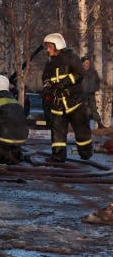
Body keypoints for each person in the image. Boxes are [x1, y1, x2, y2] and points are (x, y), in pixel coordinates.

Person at [41, 33, 92, 162]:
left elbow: (80, 74)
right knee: (57, 133)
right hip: (57, 104)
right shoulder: (50, 63)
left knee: (82, 131)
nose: (47, 50)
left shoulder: (71, 58)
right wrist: (47, 86)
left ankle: (85, 154)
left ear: (57, 45)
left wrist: (64, 83)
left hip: (75, 102)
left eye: (49, 47)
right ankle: (58, 156)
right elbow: (45, 78)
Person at [81, 55, 103, 128]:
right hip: (82, 94)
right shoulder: (80, 72)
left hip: (91, 93)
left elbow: (97, 81)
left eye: (88, 62)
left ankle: (100, 124)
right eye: (86, 62)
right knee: (84, 110)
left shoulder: (93, 72)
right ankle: (85, 125)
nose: (87, 64)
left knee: (94, 109)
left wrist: (96, 88)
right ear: (83, 63)